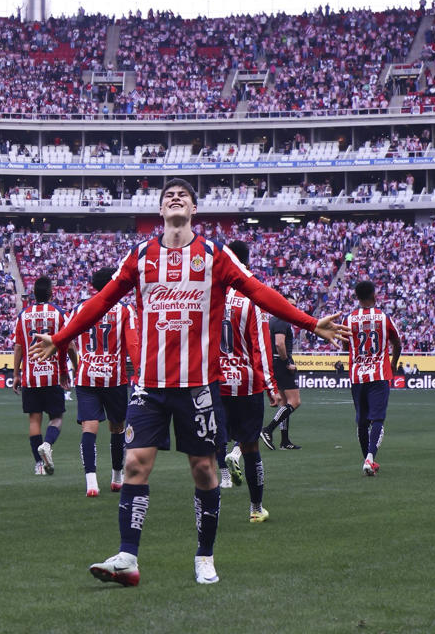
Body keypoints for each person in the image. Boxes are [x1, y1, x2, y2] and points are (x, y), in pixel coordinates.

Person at [32, 178, 346, 586]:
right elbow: (101, 301)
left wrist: (307, 322)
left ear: (193, 210)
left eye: (183, 196)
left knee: (203, 469)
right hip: (149, 386)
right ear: (161, 211)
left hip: (198, 386)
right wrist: (59, 338)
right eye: (168, 196)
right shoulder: (141, 256)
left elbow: (257, 292)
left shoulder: (214, 255)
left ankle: (204, 557)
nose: (175, 199)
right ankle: (128, 558)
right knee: (133, 464)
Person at [216, 241, 279, 525]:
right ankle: (256, 508)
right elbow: (261, 348)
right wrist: (271, 386)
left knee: (211, 442)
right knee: (251, 447)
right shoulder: (251, 299)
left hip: (215, 382)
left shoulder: (210, 297)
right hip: (246, 384)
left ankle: (211, 505)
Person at [69, 266, 139, 497]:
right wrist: (139, 372)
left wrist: (68, 367)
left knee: (89, 428)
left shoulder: (80, 308)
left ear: (93, 286)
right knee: (117, 428)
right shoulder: (124, 310)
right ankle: (117, 477)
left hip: (87, 376)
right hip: (115, 379)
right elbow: (133, 344)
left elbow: (67, 339)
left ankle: (91, 482)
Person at [12, 276, 75, 476]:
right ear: (51, 293)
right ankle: (47, 444)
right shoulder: (59, 314)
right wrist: (75, 366)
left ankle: (39, 465)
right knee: (56, 417)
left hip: (31, 376)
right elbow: (69, 344)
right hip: (52, 374)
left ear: (33, 294)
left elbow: (19, 347)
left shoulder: (23, 315)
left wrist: (16, 375)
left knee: (34, 420)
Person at [343, 280, 401, 476]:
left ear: (357, 297)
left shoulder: (349, 319)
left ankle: (367, 459)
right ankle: (370, 458)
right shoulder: (384, 318)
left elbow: (345, 346)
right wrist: (393, 363)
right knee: (377, 418)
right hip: (379, 374)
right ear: (374, 295)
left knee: (361, 421)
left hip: (357, 376)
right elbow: (397, 343)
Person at [260, 311, 302, 451]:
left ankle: (284, 441)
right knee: (295, 401)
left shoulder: (271, 321)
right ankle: (268, 429)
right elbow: (279, 343)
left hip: (274, 361)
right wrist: (287, 362)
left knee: (284, 403)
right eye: (291, 305)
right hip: (281, 362)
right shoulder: (281, 321)